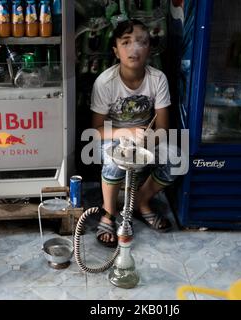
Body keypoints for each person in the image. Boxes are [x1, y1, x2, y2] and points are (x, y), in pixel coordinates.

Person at [90, 19, 179, 247]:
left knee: (177, 158)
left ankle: (141, 202)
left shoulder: (157, 79)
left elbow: (163, 129)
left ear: (149, 48)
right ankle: (108, 213)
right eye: (126, 42)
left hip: (146, 139)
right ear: (116, 51)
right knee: (112, 160)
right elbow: (96, 130)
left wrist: (147, 141)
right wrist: (126, 132)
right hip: (114, 137)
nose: (133, 48)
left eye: (140, 42)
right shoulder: (105, 82)